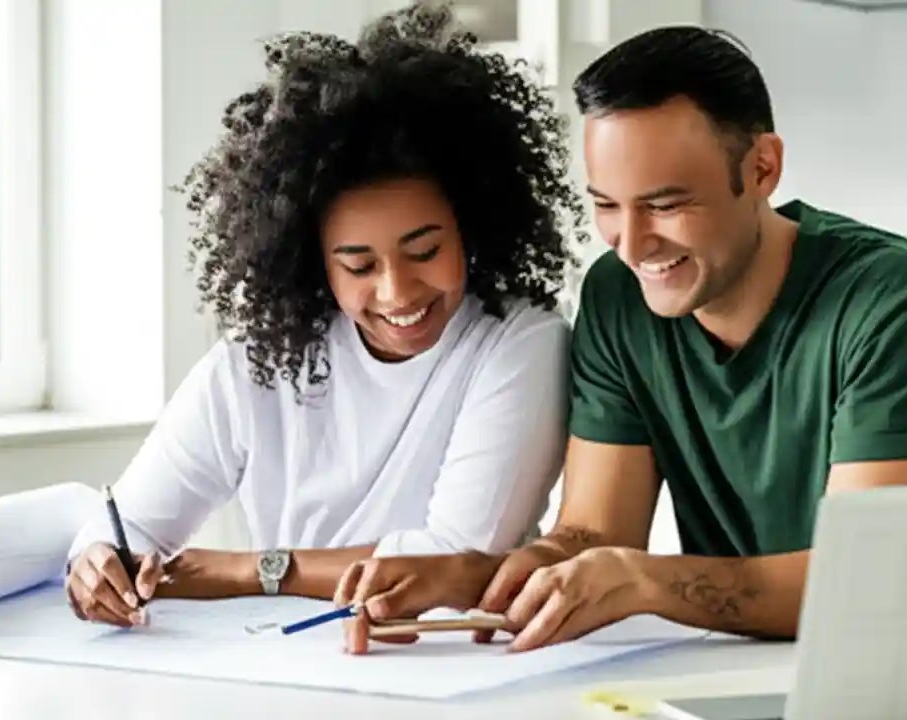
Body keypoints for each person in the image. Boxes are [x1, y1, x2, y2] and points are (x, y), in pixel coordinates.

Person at [338, 25, 907, 654]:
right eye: (607, 206)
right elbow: (594, 533)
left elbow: (865, 582)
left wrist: (646, 578)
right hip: (730, 671)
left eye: (666, 205)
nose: (632, 243)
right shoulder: (619, 298)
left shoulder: (900, 301)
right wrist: (473, 574)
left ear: (762, 168)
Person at [63, 4, 587, 627]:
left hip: (441, 663)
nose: (396, 292)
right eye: (359, 267)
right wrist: (98, 562)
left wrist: (252, 570)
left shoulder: (519, 344)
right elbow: (128, 523)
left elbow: (452, 562)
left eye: (425, 251)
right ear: (314, 263)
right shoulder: (256, 362)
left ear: (470, 227)